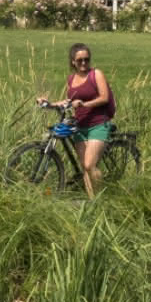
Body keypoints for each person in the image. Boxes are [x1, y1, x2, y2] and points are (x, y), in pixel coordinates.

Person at [37, 41, 113, 197]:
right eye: (80, 60)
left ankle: (99, 200)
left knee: (89, 164)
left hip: (98, 124)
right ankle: (92, 201)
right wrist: (48, 103)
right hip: (81, 127)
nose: (84, 63)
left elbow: (104, 97)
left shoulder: (96, 74)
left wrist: (84, 104)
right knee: (84, 167)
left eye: (87, 59)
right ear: (73, 61)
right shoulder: (71, 79)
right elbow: (69, 102)